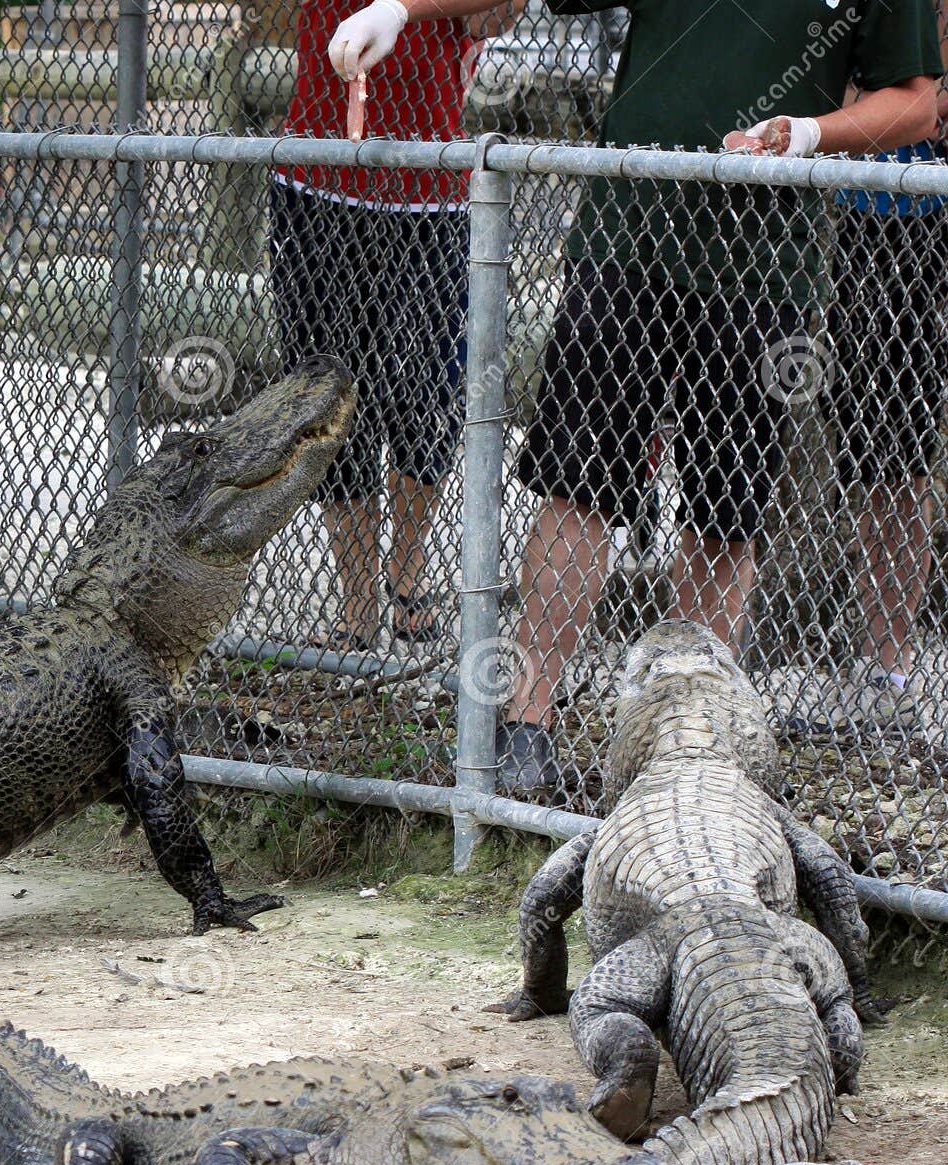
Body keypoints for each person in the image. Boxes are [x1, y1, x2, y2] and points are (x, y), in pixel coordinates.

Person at [328, 0, 941, 792]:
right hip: (626, 239)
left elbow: (917, 101)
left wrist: (811, 133)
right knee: (576, 485)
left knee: (726, 513)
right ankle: (525, 721)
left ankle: (691, 744)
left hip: (765, 264)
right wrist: (403, 8)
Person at [270, 0, 521, 650]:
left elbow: (497, 18)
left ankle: (406, 584)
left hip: (427, 192)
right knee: (329, 404)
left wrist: (401, 9)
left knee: (425, 399)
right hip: (318, 185)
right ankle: (357, 613)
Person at [818, 2, 948, 733]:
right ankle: (877, 654)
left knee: (909, 443)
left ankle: (893, 657)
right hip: (853, 222)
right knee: (870, 446)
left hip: (926, 220)